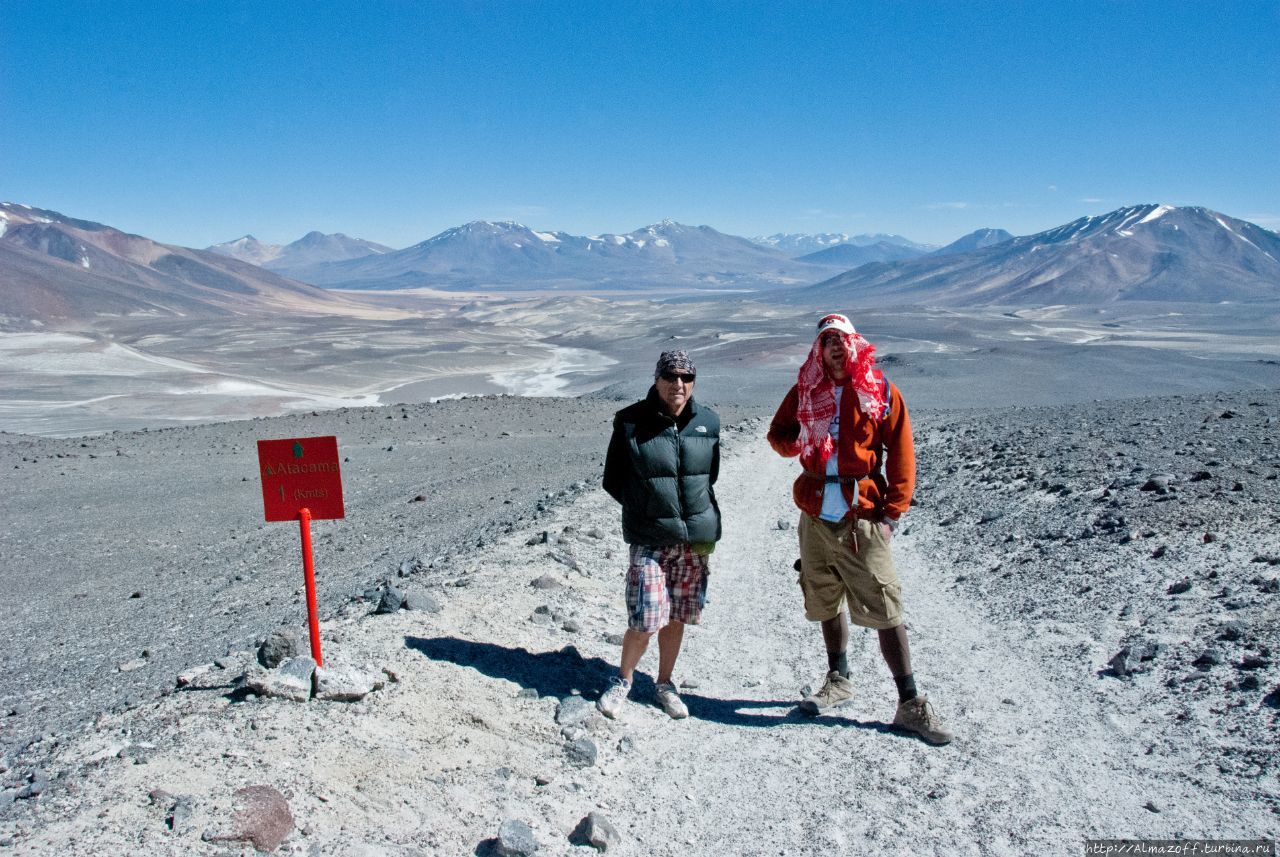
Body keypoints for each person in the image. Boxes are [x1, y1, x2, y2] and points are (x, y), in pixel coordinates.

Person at [767, 313, 953, 744]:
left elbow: (902, 453)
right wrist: (792, 443)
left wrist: (891, 515)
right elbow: (779, 434)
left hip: (861, 517)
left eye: (842, 339)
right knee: (825, 598)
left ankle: (910, 703)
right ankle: (839, 678)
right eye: (827, 340)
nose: (835, 346)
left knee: (886, 607)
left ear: (855, 344)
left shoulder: (878, 390)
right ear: (819, 348)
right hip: (815, 514)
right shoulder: (805, 389)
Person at [598, 349, 721, 720]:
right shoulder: (631, 422)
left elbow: (708, 477)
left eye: (686, 377)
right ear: (656, 379)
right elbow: (613, 479)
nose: (678, 385)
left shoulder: (709, 422)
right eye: (670, 376)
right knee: (645, 615)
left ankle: (665, 684)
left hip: (693, 540)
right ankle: (623, 680)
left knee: (677, 615)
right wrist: (648, 507)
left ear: (694, 381)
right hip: (649, 537)